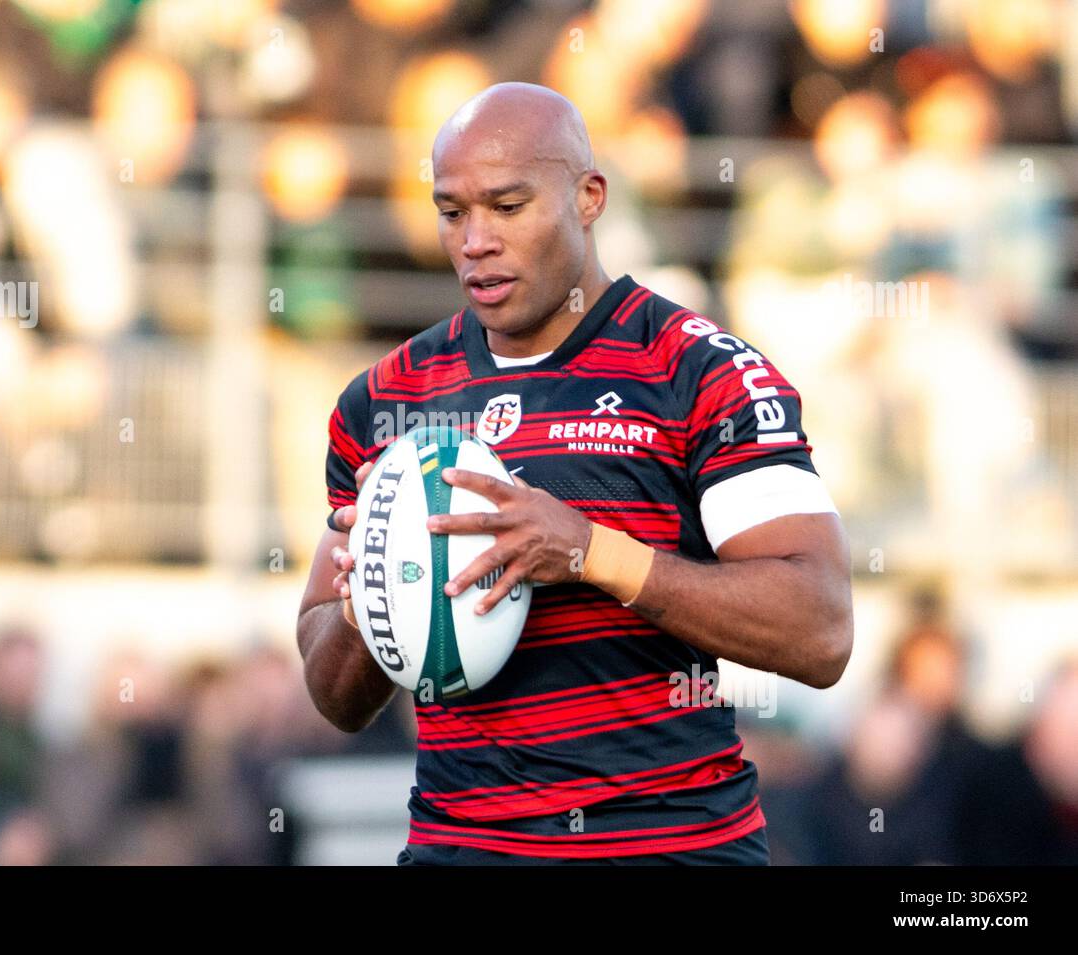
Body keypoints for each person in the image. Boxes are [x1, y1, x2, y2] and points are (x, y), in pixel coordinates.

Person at [295, 83, 853, 864]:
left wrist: (592, 552)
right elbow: (335, 698)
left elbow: (820, 629)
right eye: (452, 212)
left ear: (589, 196)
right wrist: (372, 604)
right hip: (462, 848)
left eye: (508, 206)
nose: (474, 241)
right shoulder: (387, 397)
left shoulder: (699, 372)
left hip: (669, 849)